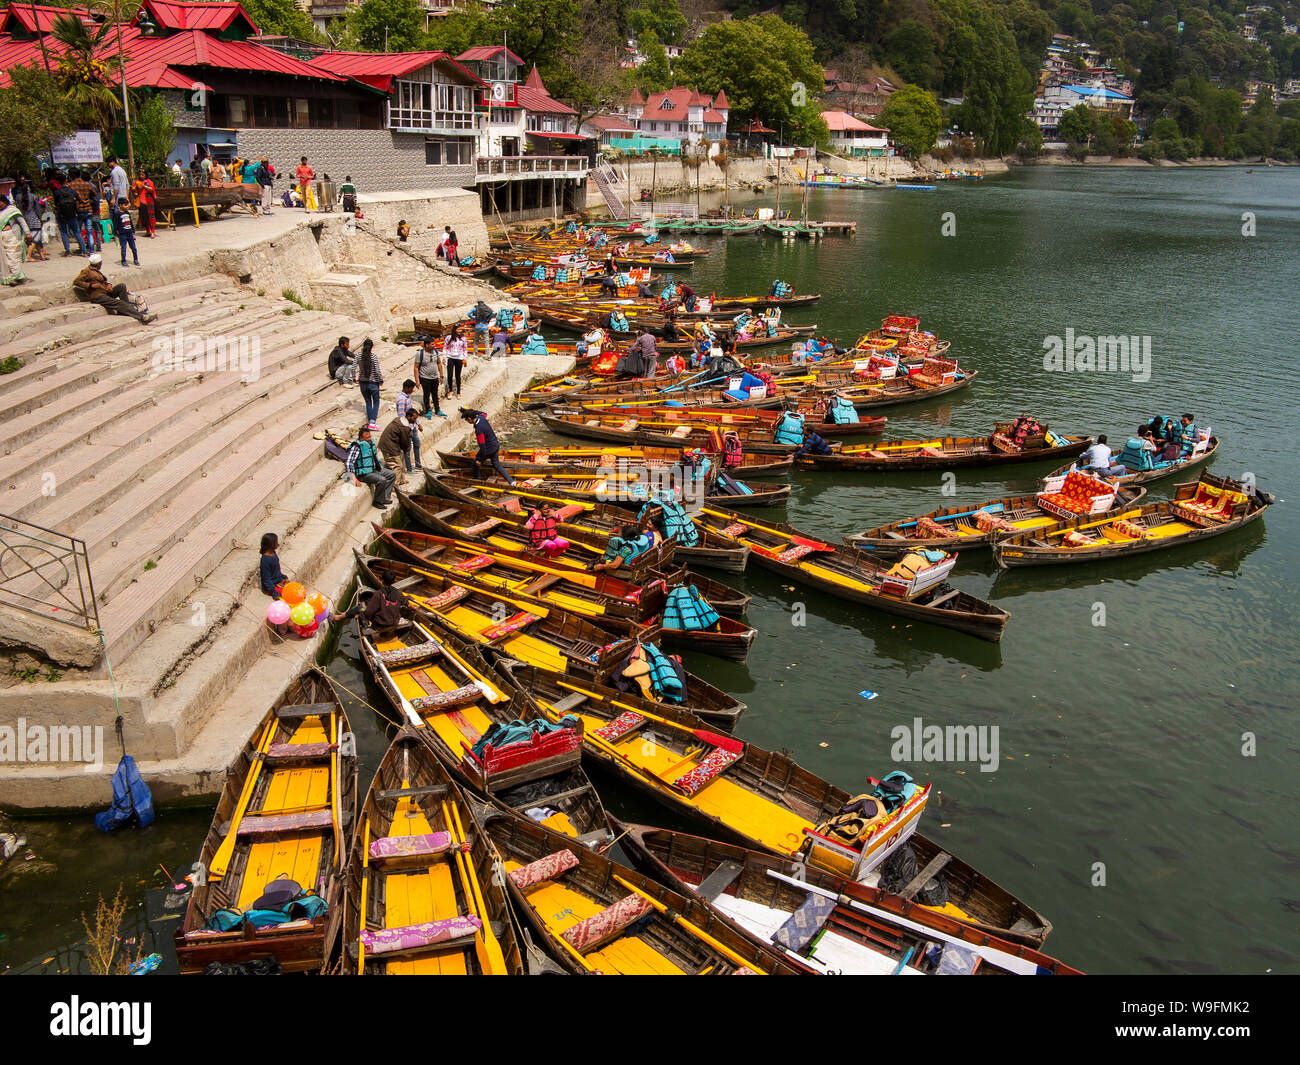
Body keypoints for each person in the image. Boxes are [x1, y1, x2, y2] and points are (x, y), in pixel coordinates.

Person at [73, 254, 155, 323]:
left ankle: (126, 309)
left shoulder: (96, 270)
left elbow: (102, 281)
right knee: (120, 303)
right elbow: (76, 281)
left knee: (121, 286)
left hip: (105, 292)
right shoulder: (86, 271)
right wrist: (90, 286)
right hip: (98, 296)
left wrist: (108, 285)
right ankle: (142, 318)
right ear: (98, 264)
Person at [331, 568, 407, 630]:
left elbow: (368, 612)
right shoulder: (398, 593)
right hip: (394, 623)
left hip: (380, 626)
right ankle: (338, 617)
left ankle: (338, 617)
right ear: (393, 581)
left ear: (381, 580)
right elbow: (406, 601)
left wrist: (360, 616)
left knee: (360, 607)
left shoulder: (378, 594)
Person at [460, 407, 515, 485]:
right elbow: (484, 413)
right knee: (496, 465)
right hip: (496, 445)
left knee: (475, 464)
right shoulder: (481, 417)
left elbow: (483, 447)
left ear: (469, 419)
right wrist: (470, 411)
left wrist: (480, 460)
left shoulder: (478, 429)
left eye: (466, 420)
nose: (467, 421)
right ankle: (512, 481)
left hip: (489, 448)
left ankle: (478, 483)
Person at [345, 425, 396, 508]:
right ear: (361, 438)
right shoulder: (356, 447)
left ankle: (384, 497)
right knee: (382, 480)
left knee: (392, 474)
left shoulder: (371, 442)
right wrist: (354, 478)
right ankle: (377, 502)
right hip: (363, 474)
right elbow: (349, 462)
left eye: (370, 437)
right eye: (367, 438)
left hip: (373, 469)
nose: (369, 439)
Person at [378, 407, 421, 484]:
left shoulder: (400, 419)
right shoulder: (404, 427)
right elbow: (404, 442)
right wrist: (405, 451)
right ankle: (395, 485)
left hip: (389, 444)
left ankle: (402, 480)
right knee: (397, 465)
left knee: (400, 462)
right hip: (389, 446)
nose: (415, 421)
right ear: (408, 417)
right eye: (414, 418)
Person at [0, 194, 32, 285]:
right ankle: (11, 277)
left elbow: (22, 221)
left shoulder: (12, 210)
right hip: (2, 238)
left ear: (4, 201)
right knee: (4, 258)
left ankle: (16, 276)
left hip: (12, 236)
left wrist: (27, 233)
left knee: (13, 256)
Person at [413, 338, 445, 416]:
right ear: (427, 345)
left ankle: (437, 410)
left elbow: (439, 363)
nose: (434, 345)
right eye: (432, 344)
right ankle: (428, 410)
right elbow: (416, 367)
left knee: (435, 394)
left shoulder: (435, 352)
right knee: (426, 395)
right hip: (425, 378)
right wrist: (417, 380)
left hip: (435, 377)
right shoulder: (420, 354)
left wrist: (441, 375)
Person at [356, 338, 383, 429]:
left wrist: (353, 378)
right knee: (376, 402)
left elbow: (353, 367)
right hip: (373, 383)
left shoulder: (358, 355)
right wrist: (381, 380)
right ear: (372, 347)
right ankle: (372, 422)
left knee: (368, 402)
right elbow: (377, 371)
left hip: (362, 383)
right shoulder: (373, 357)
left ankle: (370, 421)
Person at [393, 380, 422, 461]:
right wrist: (407, 430)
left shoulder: (407, 396)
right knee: (408, 448)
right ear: (406, 388)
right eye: (411, 388)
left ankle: (418, 464)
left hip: (413, 426)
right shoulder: (402, 399)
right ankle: (409, 468)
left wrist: (418, 423)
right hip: (407, 428)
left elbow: (412, 412)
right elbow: (401, 416)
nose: (412, 390)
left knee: (417, 444)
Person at [109, 197, 138, 267]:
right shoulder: (117, 214)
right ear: (120, 205)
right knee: (123, 248)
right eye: (125, 205)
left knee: (133, 248)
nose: (127, 206)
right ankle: (124, 260)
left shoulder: (127, 213)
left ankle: (136, 259)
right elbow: (115, 224)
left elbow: (130, 222)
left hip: (129, 233)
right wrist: (115, 233)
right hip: (122, 234)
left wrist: (133, 230)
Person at [443, 325, 467, 397]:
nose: (460, 331)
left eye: (461, 329)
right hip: (450, 357)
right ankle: (450, 391)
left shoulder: (463, 338)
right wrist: (444, 357)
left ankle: (458, 392)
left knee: (457, 375)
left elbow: (465, 349)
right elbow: (445, 347)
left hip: (459, 358)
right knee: (449, 375)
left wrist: (465, 358)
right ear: (455, 329)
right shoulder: (448, 338)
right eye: (458, 329)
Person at [133, 171, 156, 237]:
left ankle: (152, 232)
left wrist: (144, 186)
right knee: (144, 216)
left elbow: (151, 189)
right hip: (141, 200)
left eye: (142, 175)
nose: (141, 176)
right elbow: (134, 189)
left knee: (151, 215)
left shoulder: (149, 181)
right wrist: (135, 188)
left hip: (148, 199)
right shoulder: (137, 181)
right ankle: (147, 231)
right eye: (140, 175)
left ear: (145, 175)